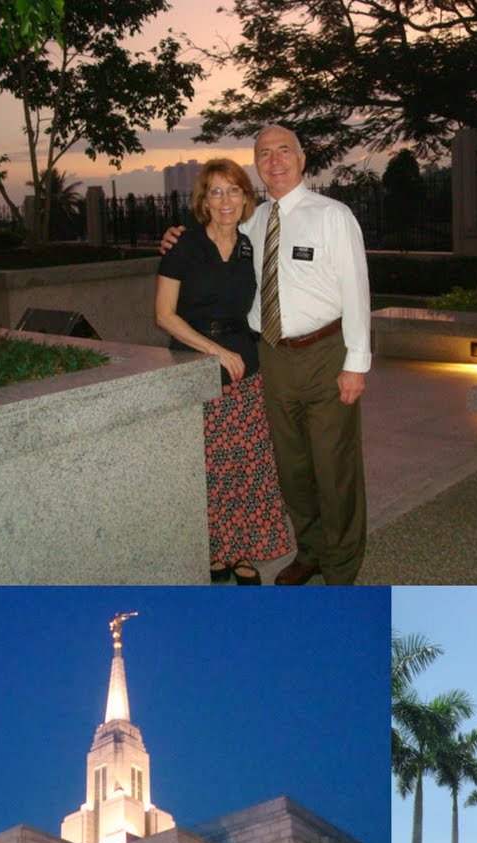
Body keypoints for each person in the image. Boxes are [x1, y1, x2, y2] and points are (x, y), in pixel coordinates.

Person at [162, 124, 372, 585]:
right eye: (264, 154)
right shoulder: (250, 225)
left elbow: (357, 291)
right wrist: (175, 238)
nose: (274, 160)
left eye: (283, 151)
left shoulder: (332, 216)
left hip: (324, 354)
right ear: (256, 166)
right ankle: (311, 550)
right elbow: (207, 246)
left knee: (334, 467)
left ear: (301, 159)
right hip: (271, 357)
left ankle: (341, 566)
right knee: (291, 467)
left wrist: (356, 363)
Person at [155, 158, 293, 586]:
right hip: (198, 365)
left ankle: (243, 553)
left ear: (247, 198)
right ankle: (216, 553)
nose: (225, 200)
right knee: (212, 471)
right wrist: (214, 352)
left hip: (245, 367)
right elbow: (164, 315)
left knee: (247, 467)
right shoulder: (183, 245)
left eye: (234, 190)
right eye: (216, 191)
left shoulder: (251, 243)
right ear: (203, 200)